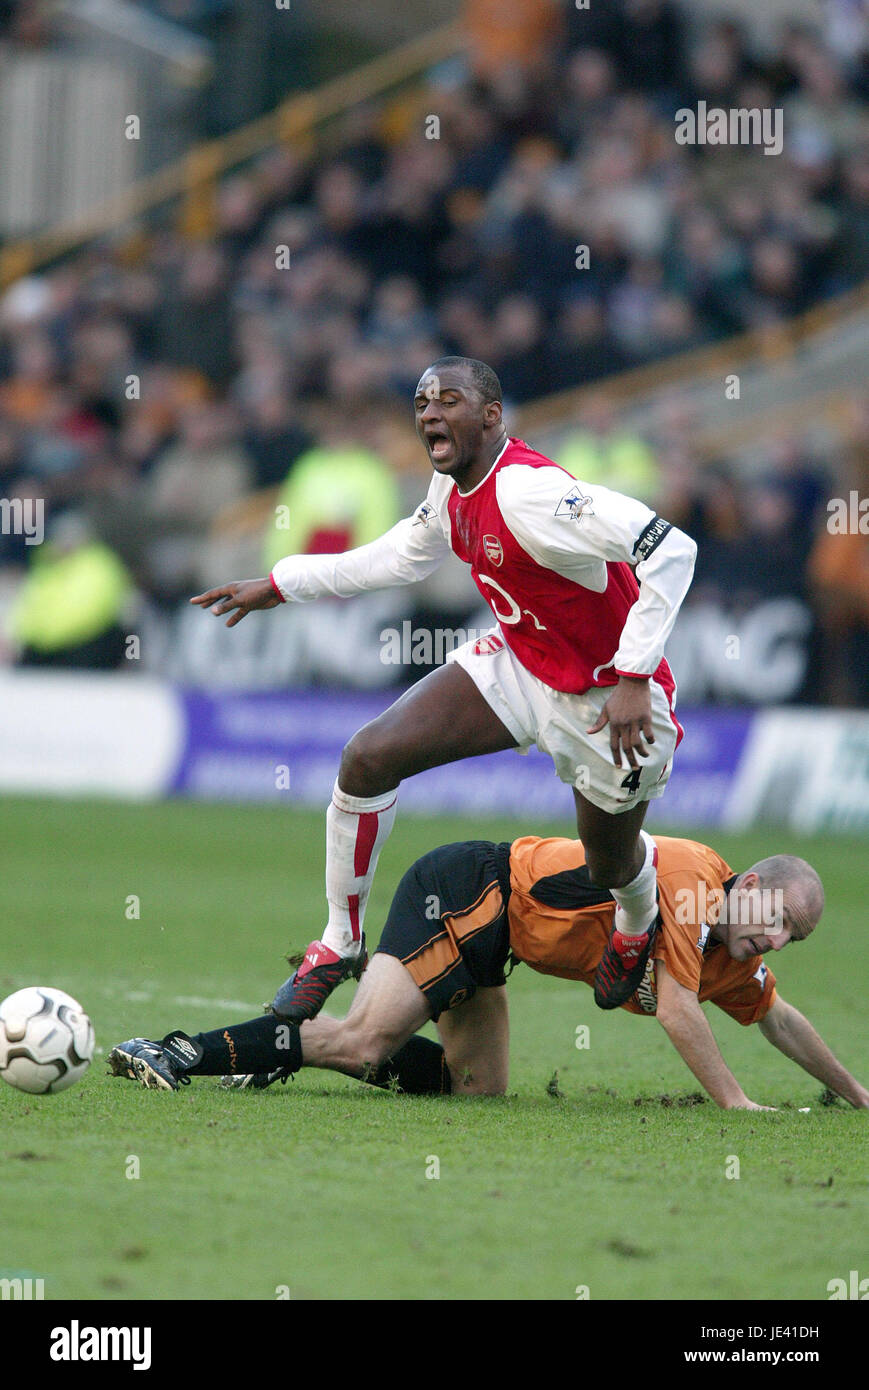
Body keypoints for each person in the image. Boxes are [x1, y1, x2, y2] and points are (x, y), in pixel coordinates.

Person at [191, 357, 697, 1018]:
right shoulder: (450, 488)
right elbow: (400, 556)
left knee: (608, 865)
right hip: (522, 662)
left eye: (449, 399)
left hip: (610, 700)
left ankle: (636, 923)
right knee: (368, 757)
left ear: (491, 416)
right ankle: (340, 942)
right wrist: (282, 584)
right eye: (423, 400)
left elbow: (670, 549)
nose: (430, 412)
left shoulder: (529, 494)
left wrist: (633, 675)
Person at [108, 832, 868, 1112]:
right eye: (779, 923)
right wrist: (736, 1105)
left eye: (790, 941)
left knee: (476, 1091)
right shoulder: (693, 876)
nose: (775, 943)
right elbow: (675, 1010)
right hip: (470, 894)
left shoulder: (730, 952)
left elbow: (779, 1018)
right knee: (367, 1043)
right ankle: (177, 1051)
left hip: (498, 946)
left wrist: (855, 1095)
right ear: (753, 888)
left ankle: (287, 1047)